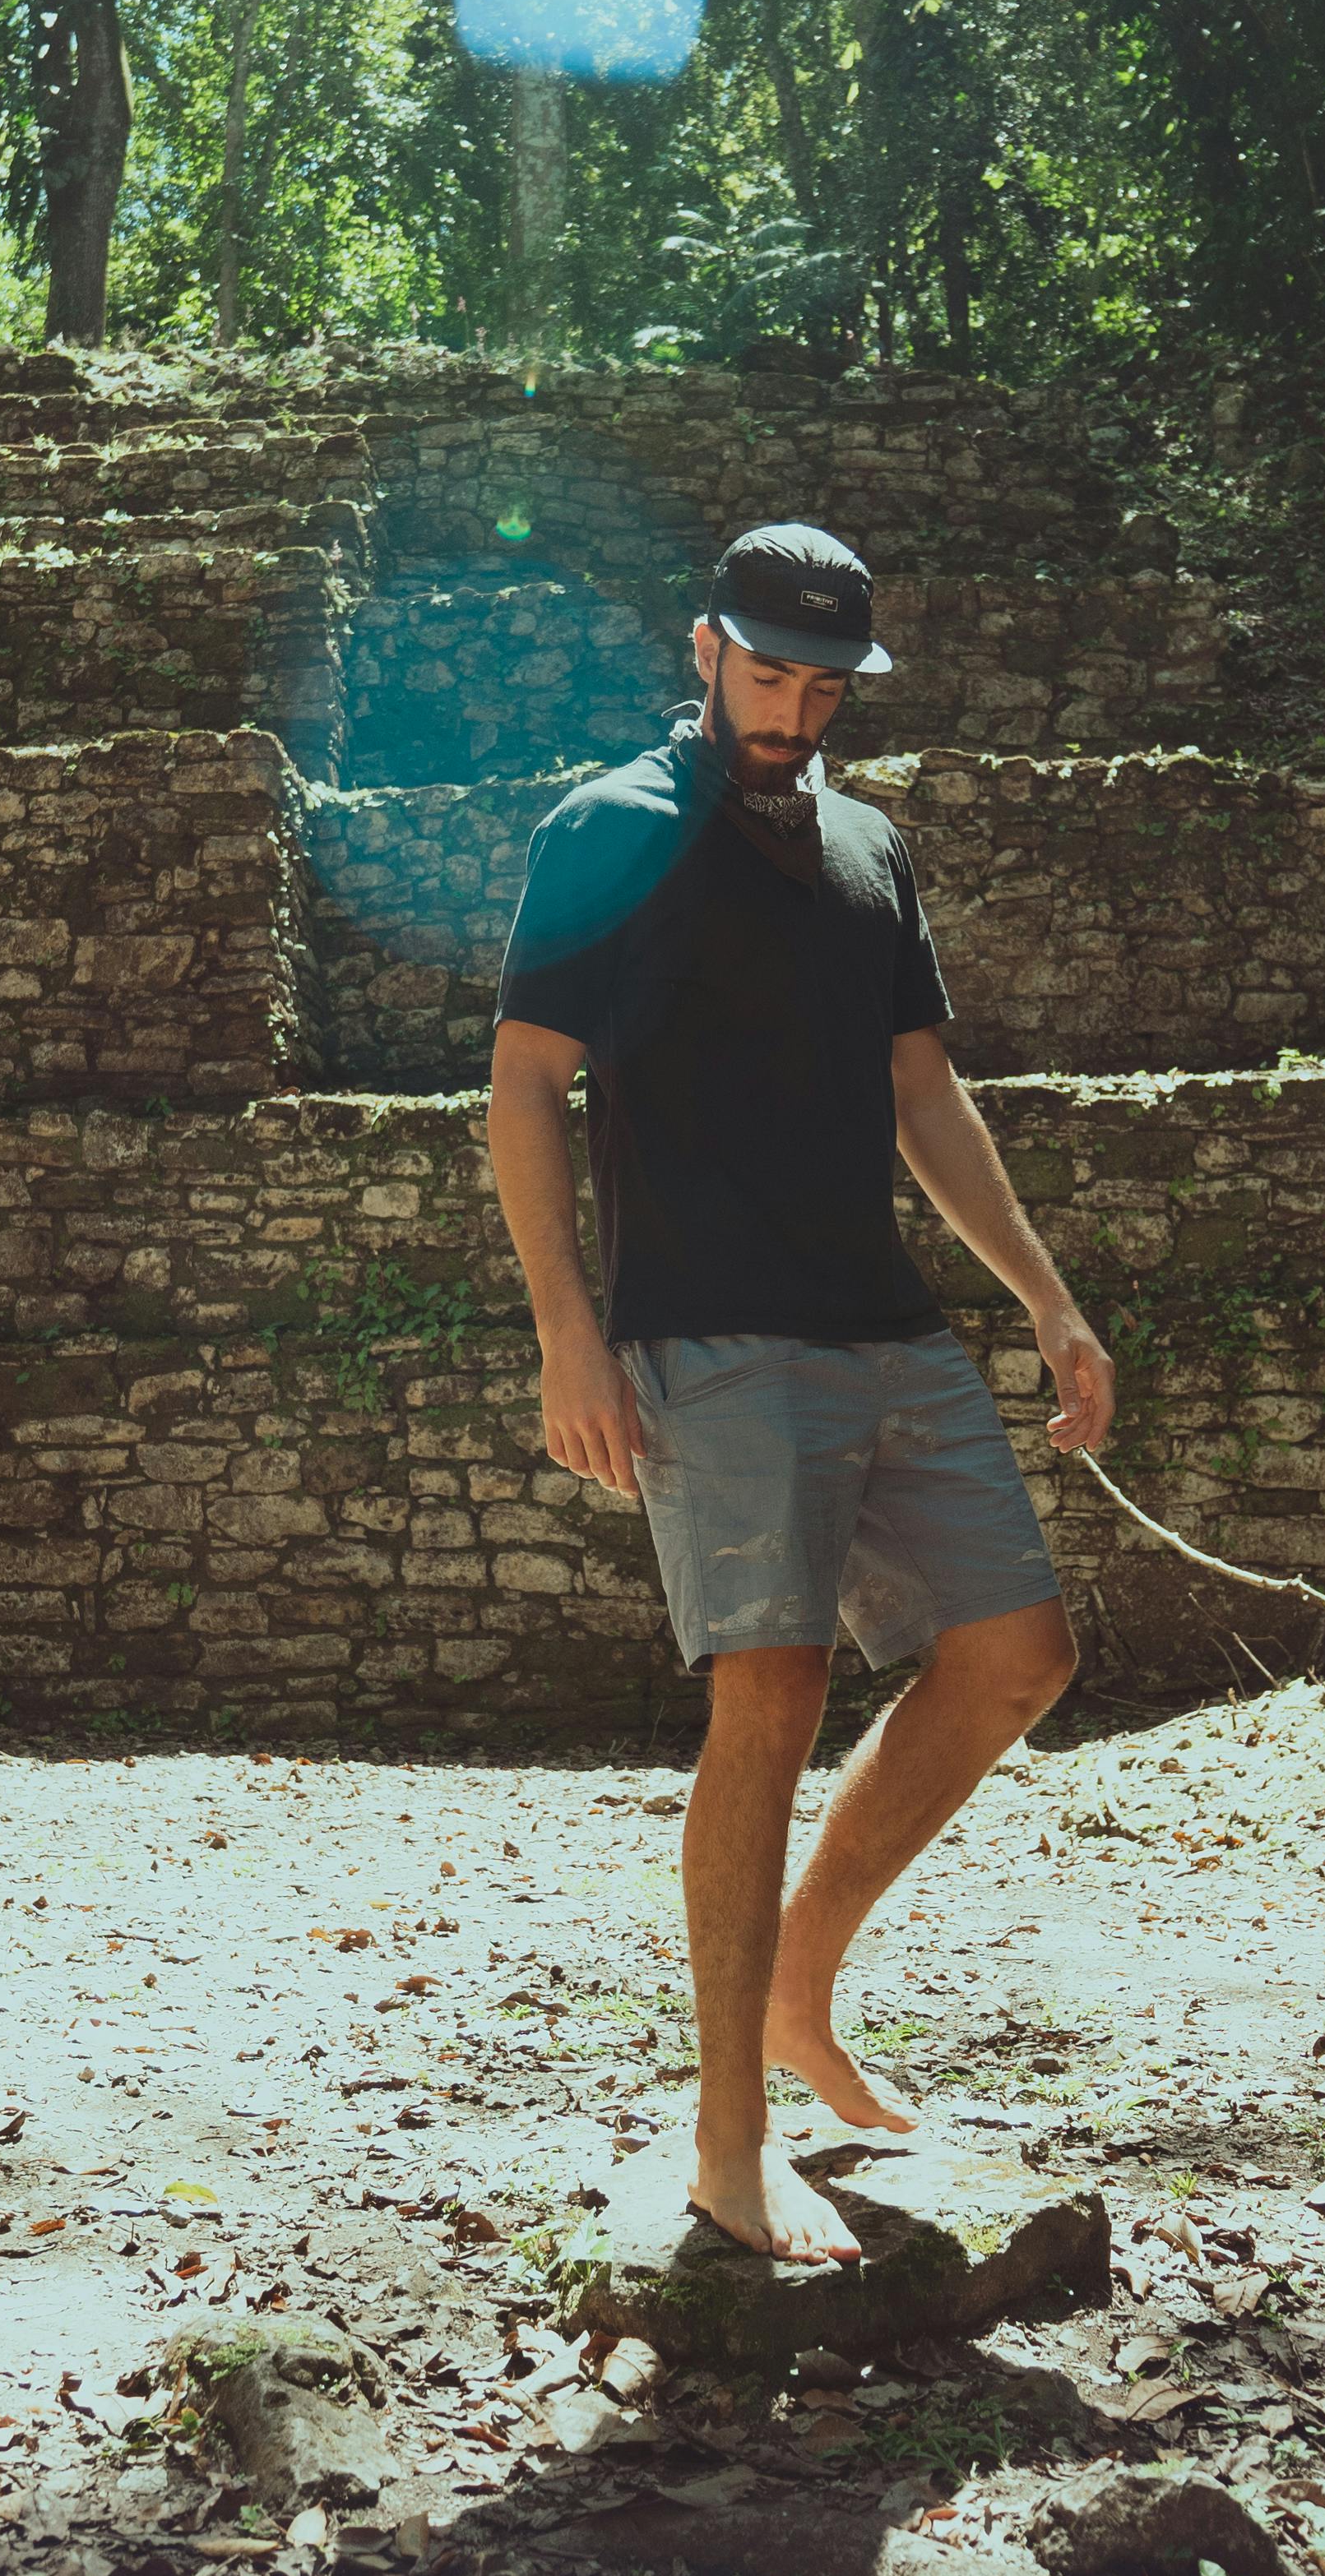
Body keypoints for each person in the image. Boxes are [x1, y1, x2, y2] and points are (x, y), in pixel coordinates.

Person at [480, 521, 1122, 2265]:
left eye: (822, 681)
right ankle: (724, 2142)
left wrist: (1045, 1296)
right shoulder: (605, 831)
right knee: (765, 1690)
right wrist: (567, 1330)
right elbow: (526, 1086)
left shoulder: (868, 848)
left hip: (878, 1320)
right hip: (707, 1329)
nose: (792, 704)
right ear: (702, 647)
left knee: (1015, 1654)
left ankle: (802, 1973)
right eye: (765, 669)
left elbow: (924, 1093)